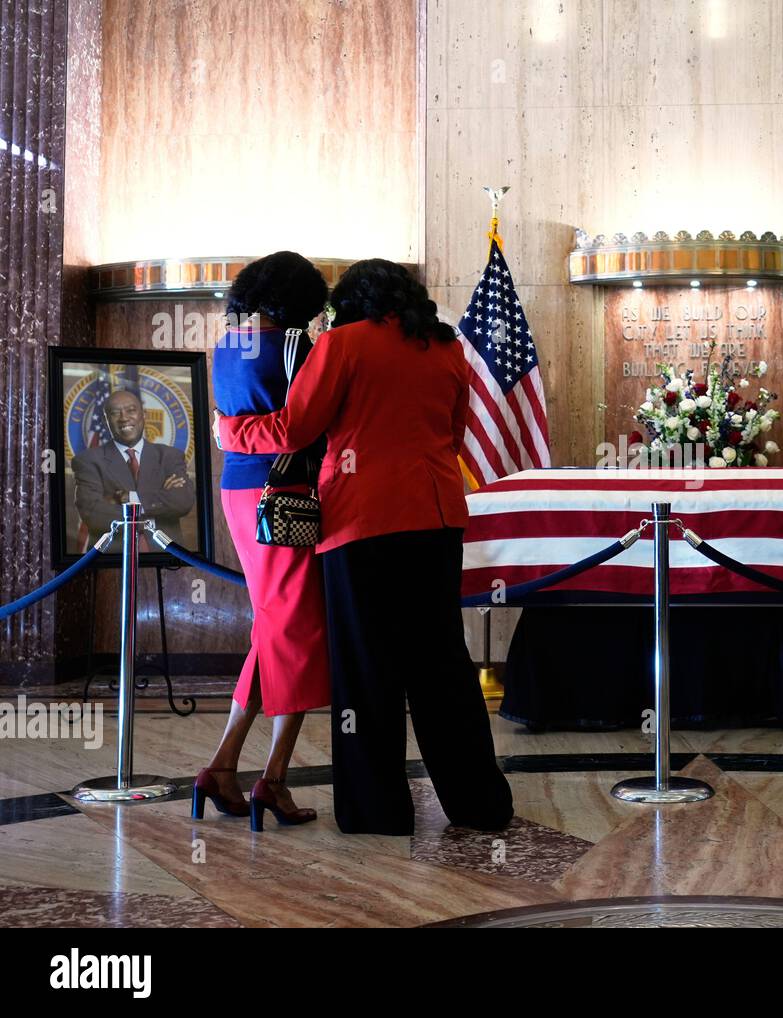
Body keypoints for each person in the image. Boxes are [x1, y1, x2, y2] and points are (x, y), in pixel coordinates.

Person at [214, 258, 513, 836]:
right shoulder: (448, 348)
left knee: (366, 670)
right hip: (436, 517)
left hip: (360, 523)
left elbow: (296, 429)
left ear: (353, 300)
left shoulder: (341, 345)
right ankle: (479, 803)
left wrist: (232, 431)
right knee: (444, 666)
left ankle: (377, 810)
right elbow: (453, 438)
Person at [193, 251, 331, 832]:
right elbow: (305, 425)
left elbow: (230, 424)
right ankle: (272, 780)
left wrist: (231, 434)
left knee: (271, 626)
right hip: (288, 494)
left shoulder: (228, 344)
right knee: (297, 631)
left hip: (239, 491)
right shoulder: (297, 345)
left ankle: (223, 767)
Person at [72, 388, 194, 541]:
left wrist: (128, 497)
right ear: (105, 421)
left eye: (131, 410)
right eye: (116, 413)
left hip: (164, 556)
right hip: (114, 559)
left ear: (144, 415)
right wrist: (151, 518)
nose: (124, 418)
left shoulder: (170, 456)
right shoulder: (88, 460)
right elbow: (94, 515)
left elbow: (182, 501)